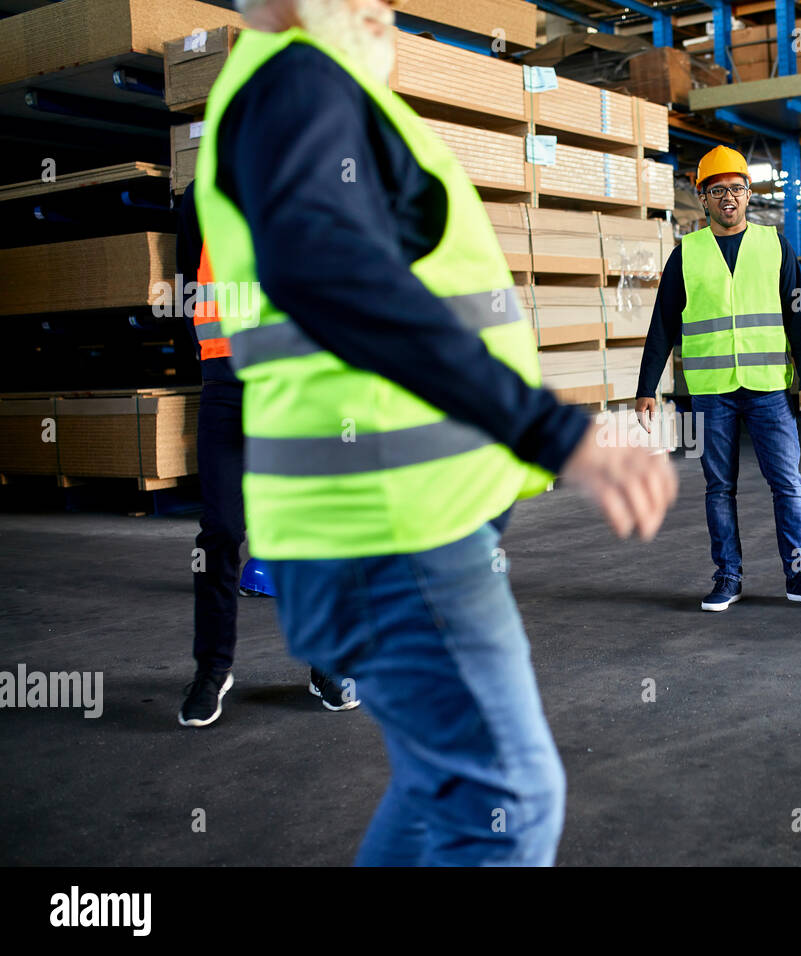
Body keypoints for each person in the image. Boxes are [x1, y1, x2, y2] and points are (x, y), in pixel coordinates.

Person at [195, 0, 676, 865]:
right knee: (510, 802)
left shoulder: (318, 95)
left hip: (399, 519)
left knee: (441, 796)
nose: (378, 10)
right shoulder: (294, 80)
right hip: (391, 529)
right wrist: (553, 434)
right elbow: (327, 270)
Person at [175, 182, 360, 725]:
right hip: (226, 385)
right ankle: (213, 669)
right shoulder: (196, 196)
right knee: (221, 530)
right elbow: (191, 278)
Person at [635, 146, 801, 612]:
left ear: (749, 194)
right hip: (711, 393)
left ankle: (799, 574)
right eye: (717, 190)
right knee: (718, 487)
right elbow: (663, 323)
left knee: (787, 483)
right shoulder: (686, 254)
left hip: (768, 386)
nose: (728, 197)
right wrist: (647, 387)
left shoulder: (774, 245)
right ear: (702, 197)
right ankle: (728, 576)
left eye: (736, 188)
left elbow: (799, 317)